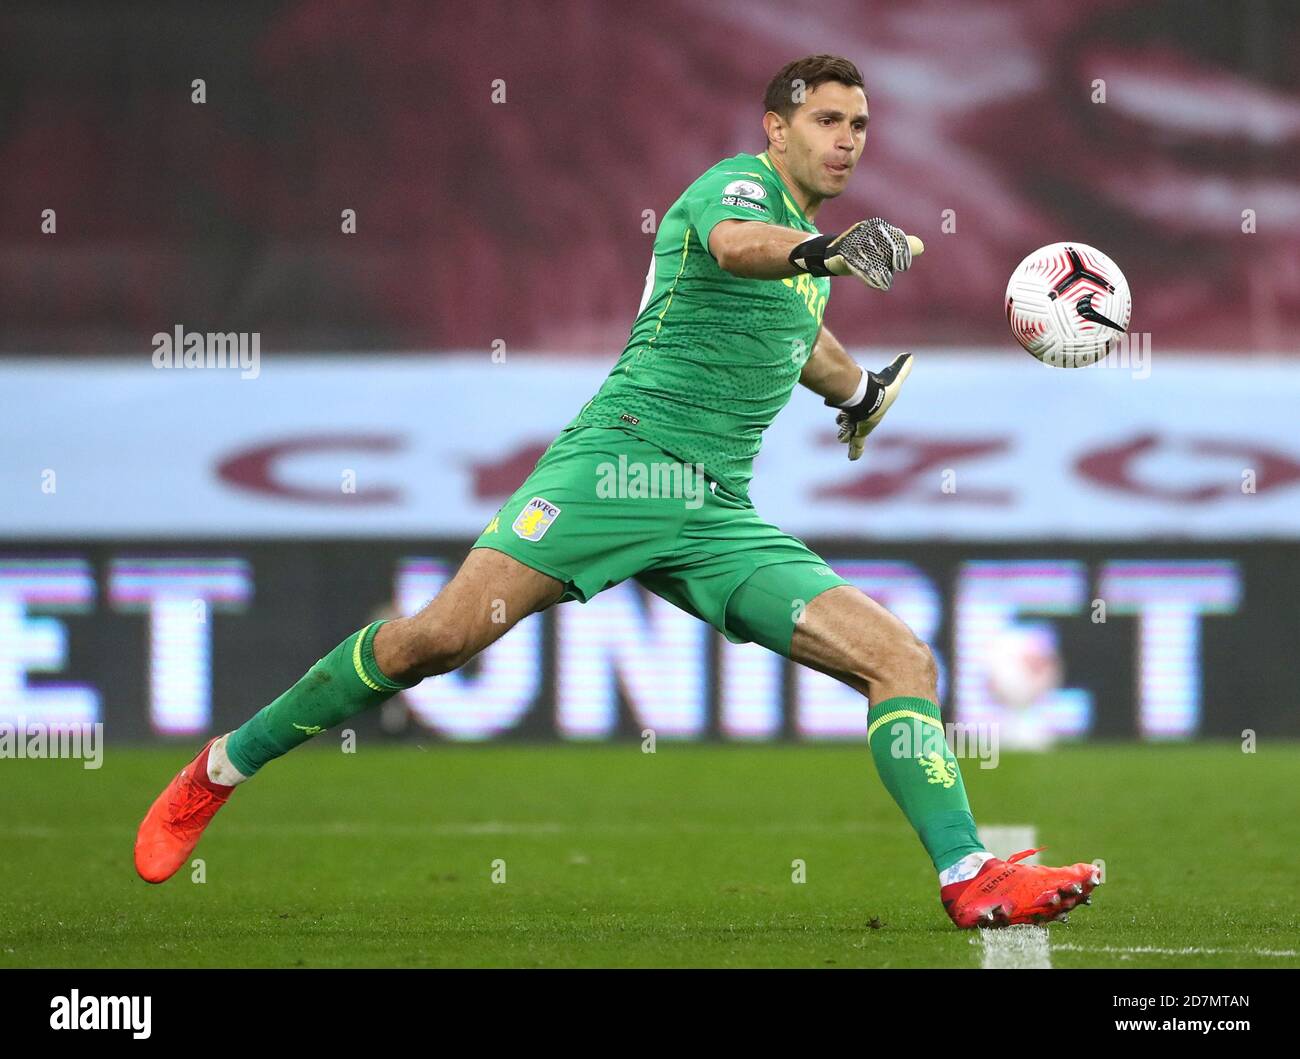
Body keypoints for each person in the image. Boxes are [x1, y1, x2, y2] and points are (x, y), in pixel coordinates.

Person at [135, 53, 1099, 929]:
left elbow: (796, 338)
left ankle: (968, 873)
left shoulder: (807, 256)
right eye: (827, 120)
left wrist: (859, 391)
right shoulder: (740, 190)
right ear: (776, 127)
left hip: (714, 511)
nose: (847, 139)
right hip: (616, 469)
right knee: (436, 640)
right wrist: (821, 251)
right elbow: (734, 247)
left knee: (901, 661)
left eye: (860, 125)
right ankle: (222, 766)